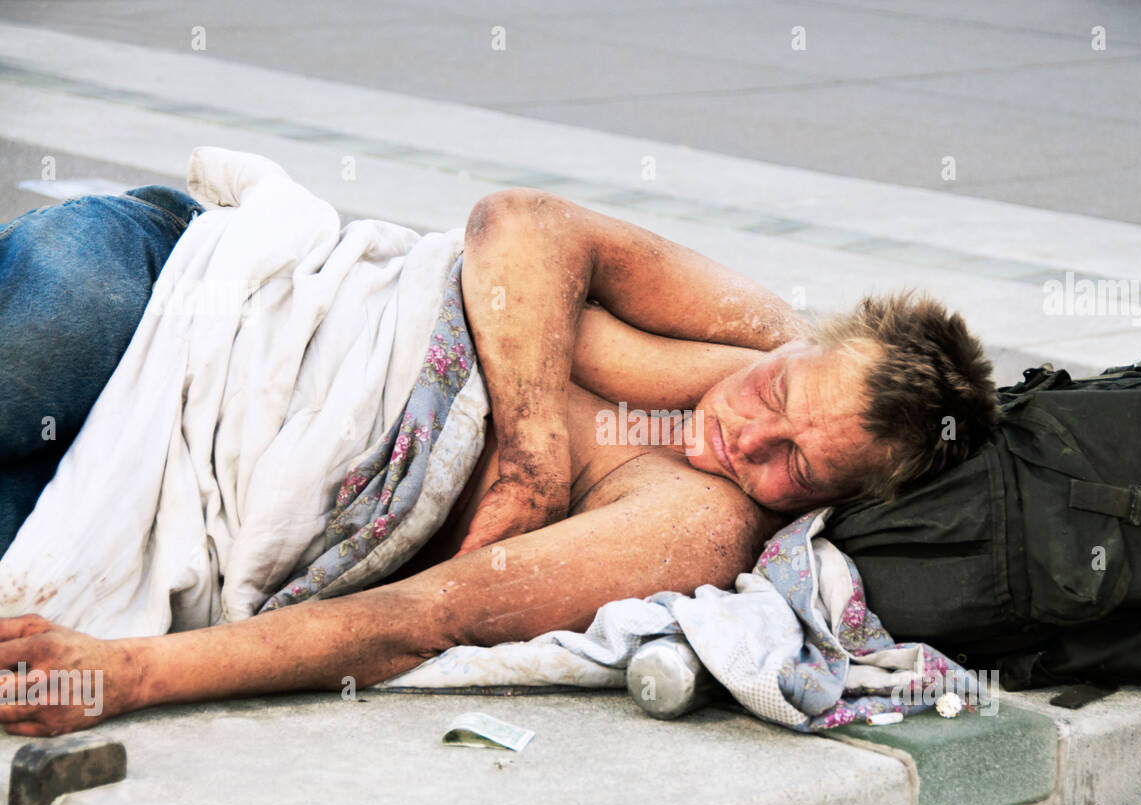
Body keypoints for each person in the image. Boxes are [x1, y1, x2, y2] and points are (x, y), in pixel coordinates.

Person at [0, 186, 999, 736]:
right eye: (777, 395)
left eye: (801, 470)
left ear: (832, 507)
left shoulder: (695, 518)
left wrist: (130, 673)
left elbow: (423, 617)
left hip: (174, 487)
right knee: (58, 308)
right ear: (801, 341)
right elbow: (521, 224)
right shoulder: (757, 334)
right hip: (200, 298)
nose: (751, 436)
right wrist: (530, 448)